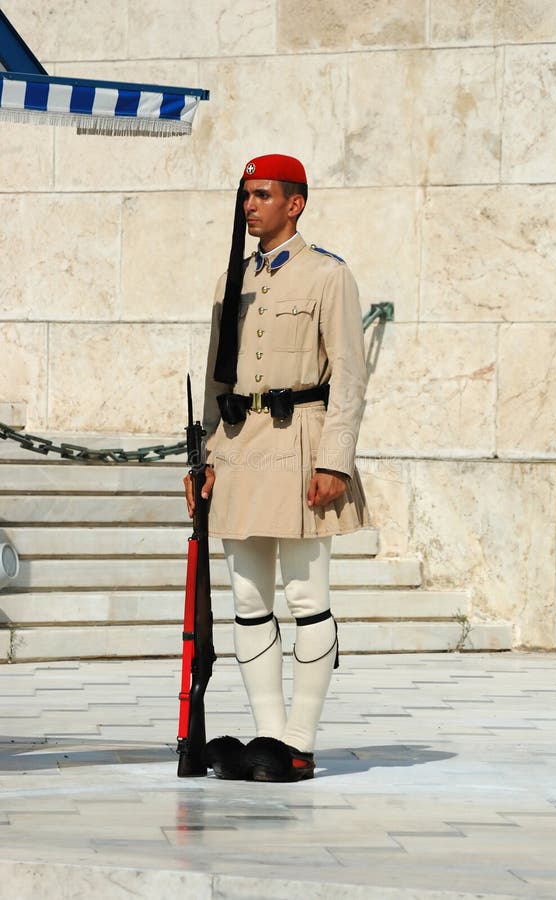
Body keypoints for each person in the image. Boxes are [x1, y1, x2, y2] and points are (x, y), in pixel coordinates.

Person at [184, 153, 368, 782]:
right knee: (247, 595)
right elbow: (216, 376)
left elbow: (349, 375)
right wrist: (202, 459)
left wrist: (335, 460)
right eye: (246, 195)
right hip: (239, 447)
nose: (251, 205)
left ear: (296, 203)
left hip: (299, 445)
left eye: (263, 195)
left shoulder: (327, 275)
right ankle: (266, 735)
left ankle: (299, 740)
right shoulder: (230, 280)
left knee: (306, 595)